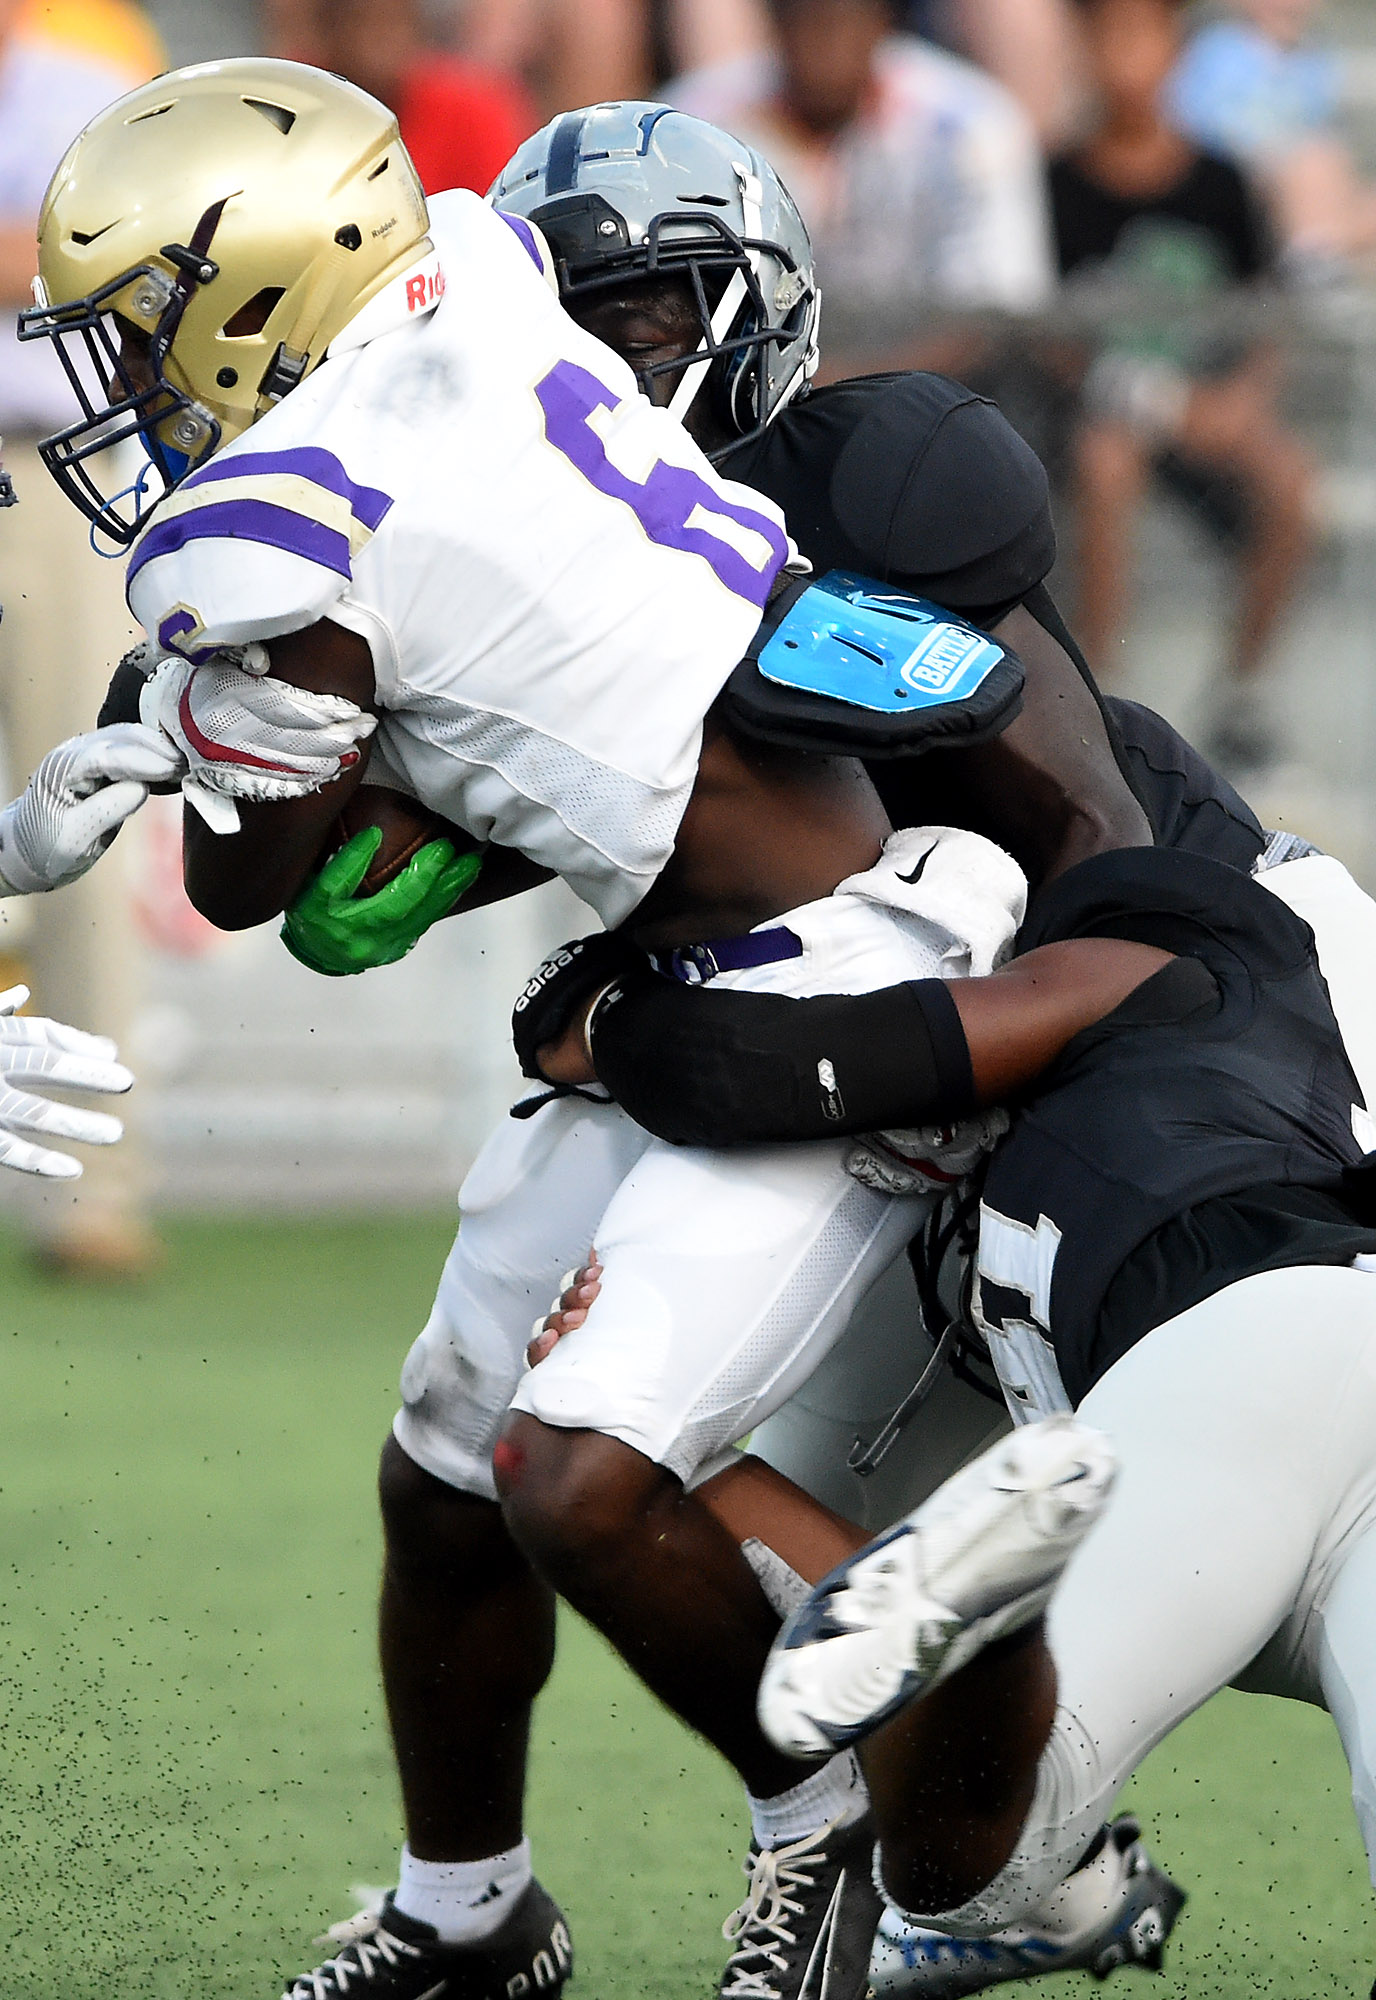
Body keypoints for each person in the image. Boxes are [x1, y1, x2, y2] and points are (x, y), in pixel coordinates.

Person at [260, 101, 1376, 1998]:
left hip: (1150, 982)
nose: (622, 360)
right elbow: (453, 850)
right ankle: (547, 1898)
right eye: (578, 317)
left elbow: (1090, 846)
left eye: (658, 307)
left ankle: (915, 1847)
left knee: (692, 1462)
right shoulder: (528, 560)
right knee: (551, 1455)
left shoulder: (856, 476)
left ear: (752, 307)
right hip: (940, 1049)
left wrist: (706, 1029)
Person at [22, 56, 1076, 2000]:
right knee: (442, 1468)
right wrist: (200, 706)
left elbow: (268, 894)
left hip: (825, 971)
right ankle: (467, 1912)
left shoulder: (258, 533)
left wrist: (153, 732)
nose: (128, 377)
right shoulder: (482, 276)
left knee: (574, 1477)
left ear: (263, 286)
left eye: (150, 320)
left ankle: (826, 1821)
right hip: (689, 947)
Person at [526, 827, 1376, 1992]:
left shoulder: (1156, 978)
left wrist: (608, 1013)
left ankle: (991, 1618)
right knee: (980, 1838)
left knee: (984, 1842)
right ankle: (981, 1608)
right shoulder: (1252, 1029)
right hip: (1278, 1358)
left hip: (1245, 1362)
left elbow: (769, 1060)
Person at [0, 0, 161, 1272]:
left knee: (78, 817)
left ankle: (91, 1194)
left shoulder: (82, 70)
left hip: (53, 471)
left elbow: (107, 255)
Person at [1050, 0, 1314, 768]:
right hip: (1102, 413)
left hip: (1211, 407)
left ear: (1177, 49)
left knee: (1290, 480)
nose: (1129, 56)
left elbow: (1266, 312)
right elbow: (1047, 337)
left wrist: (1241, 399)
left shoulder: (1222, 179)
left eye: (1147, 32)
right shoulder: (1058, 180)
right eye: (1111, 35)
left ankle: (1244, 689)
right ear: (1083, 49)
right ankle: (1105, 693)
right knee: (1106, 463)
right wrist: (1152, 400)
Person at [665, 0, 1055, 379]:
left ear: (885, 21)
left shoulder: (970, 128)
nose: (827, 43)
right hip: (751, 394)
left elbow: (996, 321)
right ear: (776, 21)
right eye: (810, 17)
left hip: (933, 396)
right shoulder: (694, 128)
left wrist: (837, 387)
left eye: (845, 17)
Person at [1168, 0, 1376, 276]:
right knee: (1314, 162)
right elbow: (1188, 118)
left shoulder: (1313, 58)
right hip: (1237, 171)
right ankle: (1314, 266)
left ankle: (1323, 255)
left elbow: (1319, 124)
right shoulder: (1217, 50)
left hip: (1303, 175)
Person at [264, 0, 538, 197]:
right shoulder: (285, 106)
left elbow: (501, 219)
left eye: (391, 19)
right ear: (328, 26)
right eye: (362, 18)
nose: (380, 37)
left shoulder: (475, 106)